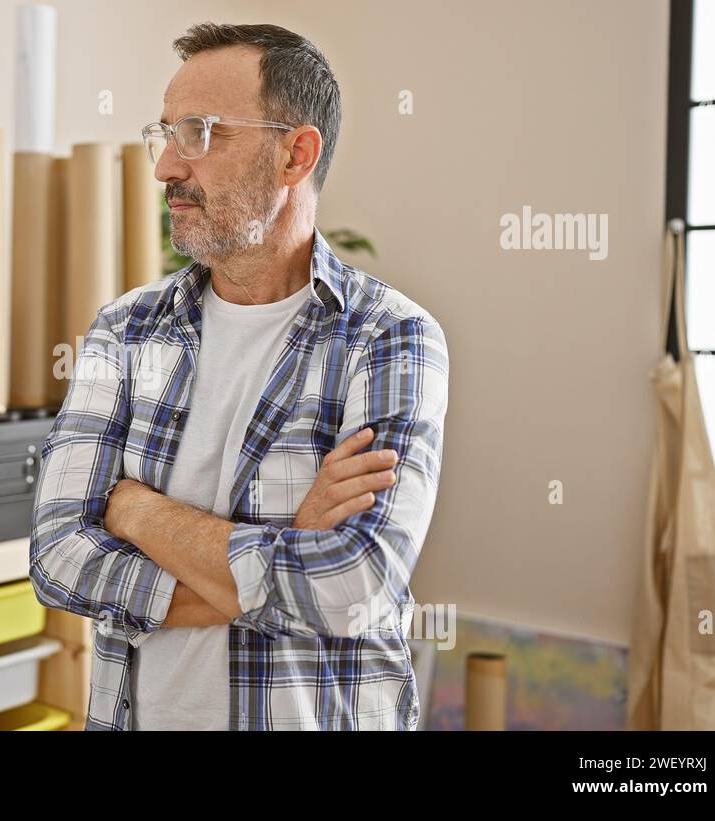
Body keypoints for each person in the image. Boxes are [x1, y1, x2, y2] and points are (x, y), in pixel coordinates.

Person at [29, 22, 449, 730]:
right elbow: (58, 558)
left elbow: (353, 586)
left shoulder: (390, 337)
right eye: (165, 133)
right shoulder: (123, 331)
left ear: (295, 154)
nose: (165, 166)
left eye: (200, 133)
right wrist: (286, 547)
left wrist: (135, 511)